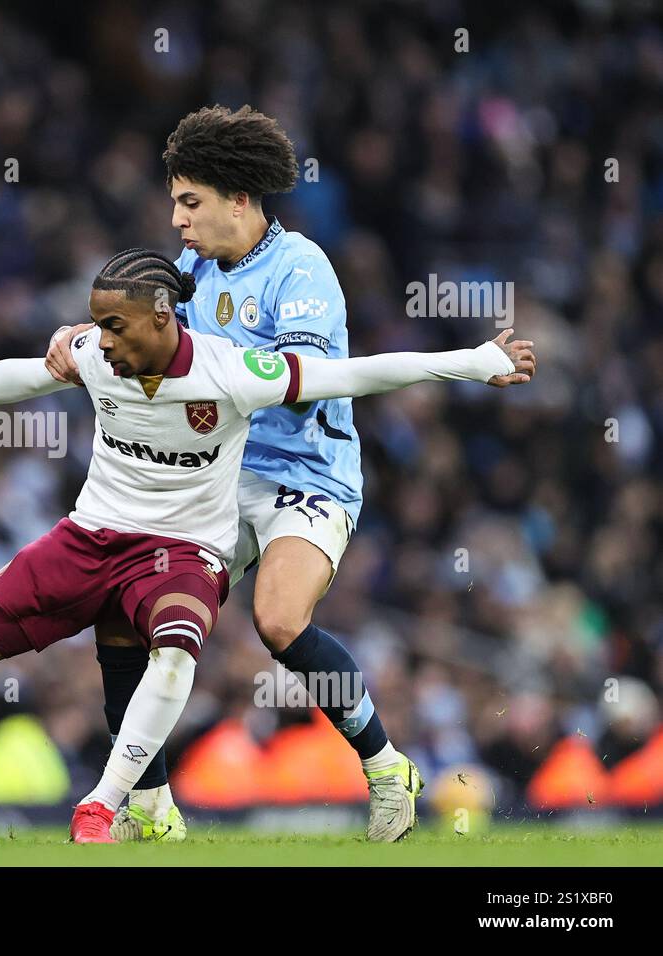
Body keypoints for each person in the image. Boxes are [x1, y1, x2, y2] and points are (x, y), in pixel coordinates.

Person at [0, 248, 534, 842]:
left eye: (113, 326)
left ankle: (101, 808)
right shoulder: (98, 351)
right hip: (86, 539)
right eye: (97, 325)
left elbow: (360, 374)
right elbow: (17, 374)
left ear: (161, 318)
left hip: (181, 555)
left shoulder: (234, 371)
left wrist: (478, 361)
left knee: (175, 654)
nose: (98, 341)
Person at [45, 106, 536, 842]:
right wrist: (84, 334)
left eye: (190, 202)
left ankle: (384, 769)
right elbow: (141, 332)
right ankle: (147, 805)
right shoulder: (192, 270)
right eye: (175, 202)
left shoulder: (301, 267)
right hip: (222, 478)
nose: (176, 219)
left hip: (307, 473)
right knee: (122, 618)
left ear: (237, 200)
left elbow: (300, 381)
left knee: (277, 618)